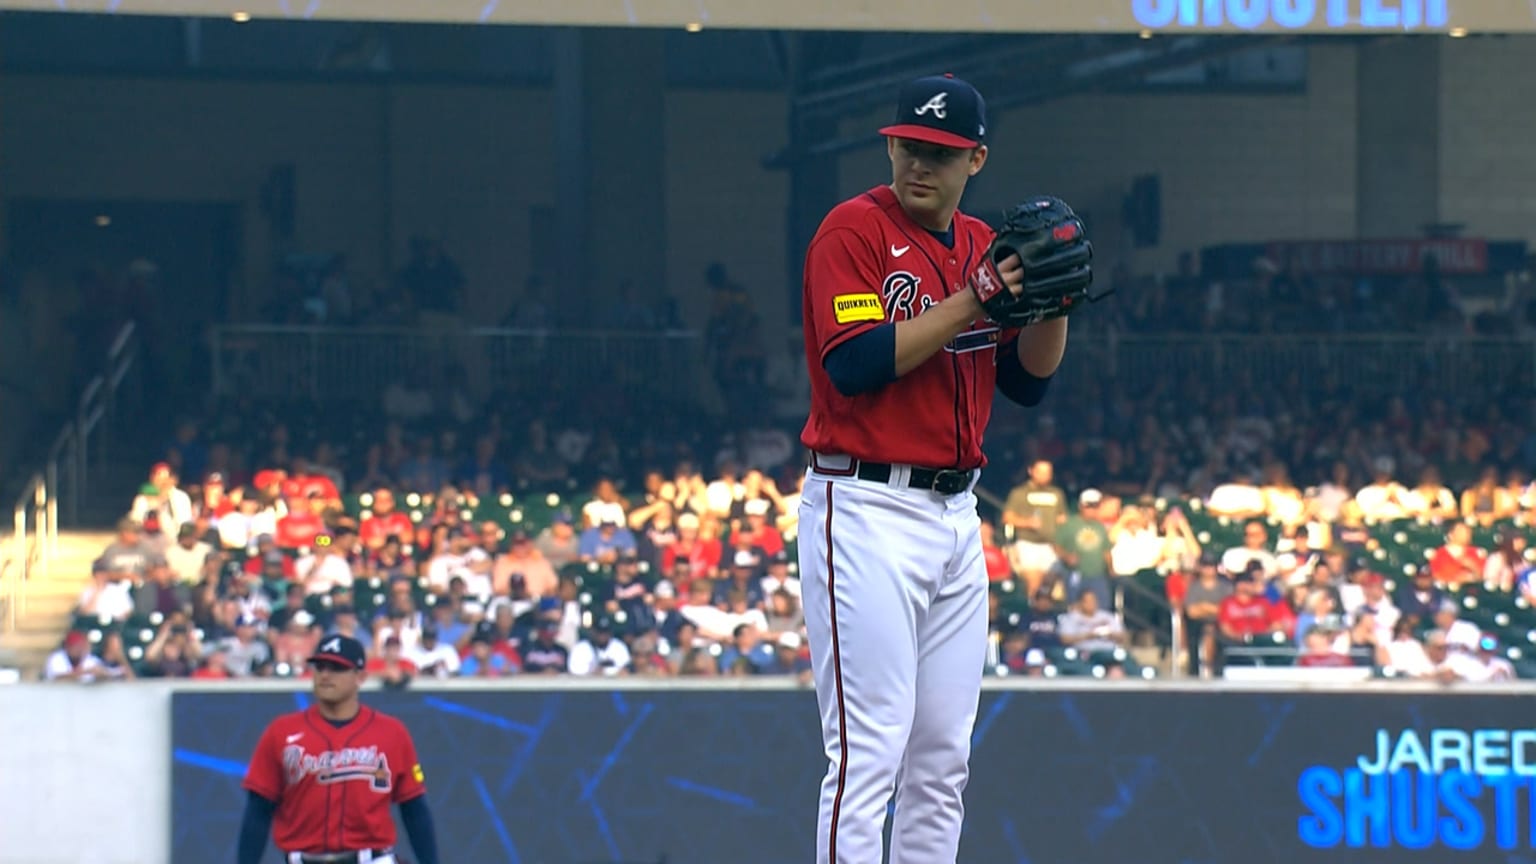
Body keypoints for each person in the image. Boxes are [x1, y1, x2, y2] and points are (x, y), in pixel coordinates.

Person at [796, 73, 1079, 864]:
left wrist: (1051, 304)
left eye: (940, 153)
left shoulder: (988, 245)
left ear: (975, 160)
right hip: (863, 505)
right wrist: (975, 299)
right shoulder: (849, 233)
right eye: (908, 147)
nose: (918, 164)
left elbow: (1027, 382)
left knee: (942, 758)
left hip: (956, 516)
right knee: (868, 753)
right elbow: (854, 364)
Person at [237, 634, 440, 864]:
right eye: (320, 667)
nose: (325, 675)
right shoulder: (282, 732)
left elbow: (414, 809)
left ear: (360, 676)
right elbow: (258, 812)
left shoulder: (391, 732)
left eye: (337, 668)